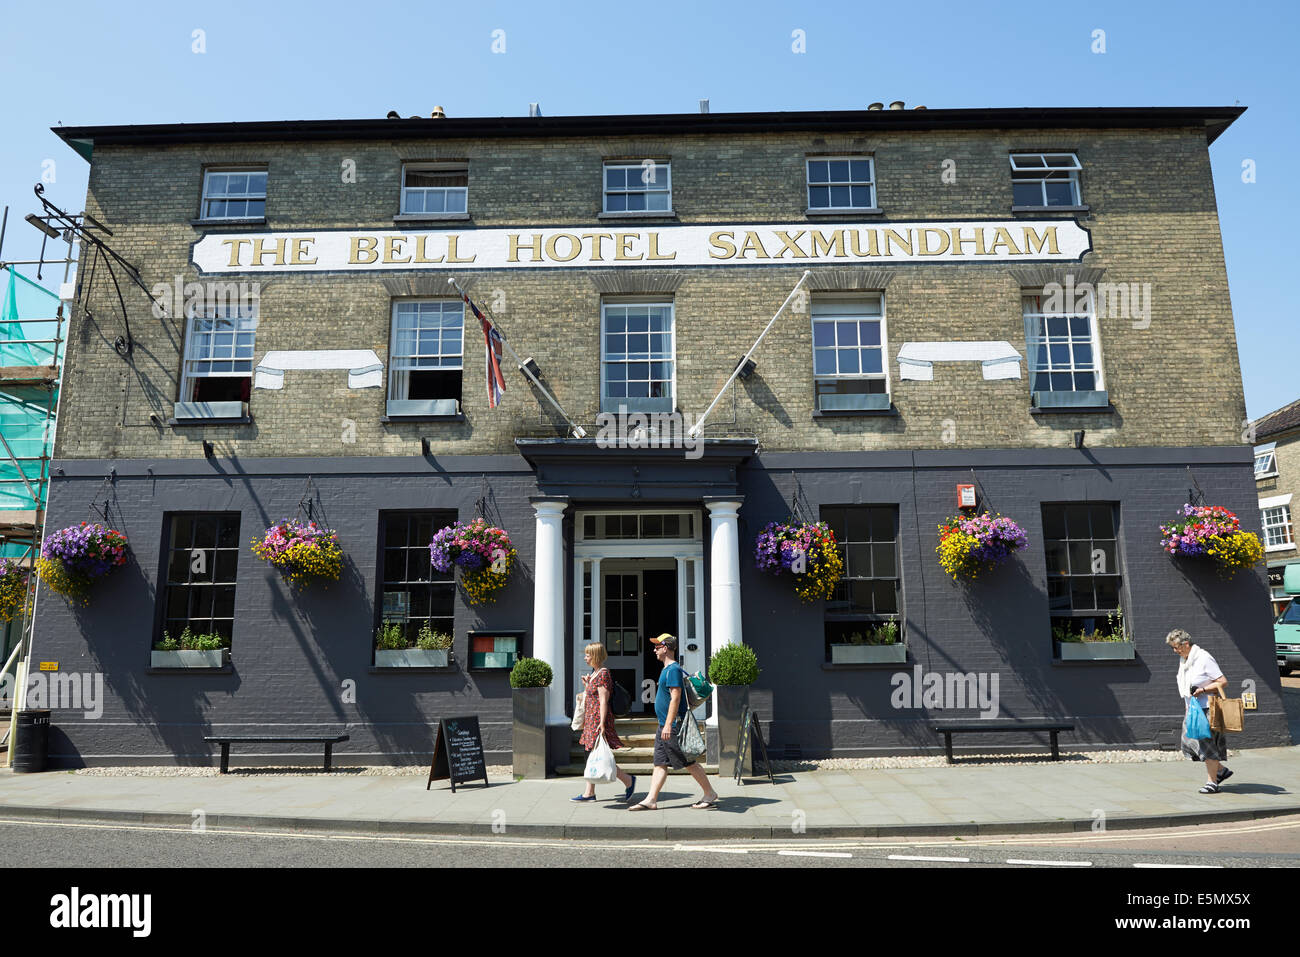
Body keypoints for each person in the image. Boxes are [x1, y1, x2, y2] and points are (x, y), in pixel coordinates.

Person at [628, 633, 719, 811]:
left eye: (657, 646)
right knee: (660, 763)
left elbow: (675, 698)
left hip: (672, 725)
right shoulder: (666, 669)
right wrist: (665, 724)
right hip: (664, 725)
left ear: (666, 648)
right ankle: (651, 799)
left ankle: (709, 793)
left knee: (688, 761)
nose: (654, 650)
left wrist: (669, 724)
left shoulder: (673, 670)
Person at [1166, 628, 1233, 793]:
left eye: (1177, 647)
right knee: (1189, 743)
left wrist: (1203, 690)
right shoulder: (1185, 661)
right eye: (1173, 648)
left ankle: (1212, 782)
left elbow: (1222, 682)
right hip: (1193, 710)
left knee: (1206, 745)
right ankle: (1221, 770)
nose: (1175, 651)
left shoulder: (1203, 658)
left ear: (1186, 644)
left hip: (1207, 709)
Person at [572, 642, 635, 803]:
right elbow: (592, 696)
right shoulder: (595, 673)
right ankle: (590, 792)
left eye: (588, 655)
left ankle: (627, 780)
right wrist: (587, 685)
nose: (585, 657)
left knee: (596, 754)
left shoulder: (603, 674)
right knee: (591, 754)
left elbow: (603, 700)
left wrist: (601, 723)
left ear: (595, 656)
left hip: (597, 720)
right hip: (590, 719)